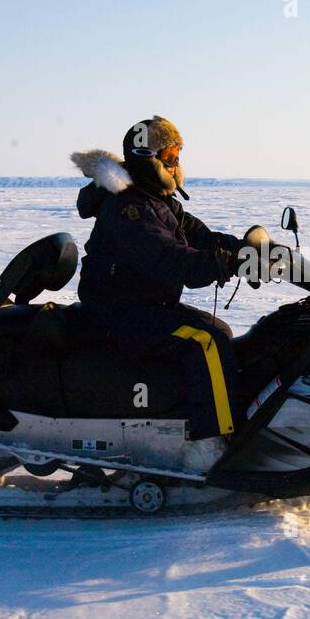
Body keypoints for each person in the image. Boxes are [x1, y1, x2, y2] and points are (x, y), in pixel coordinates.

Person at [71, 116, 246, 445]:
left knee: (219, 330)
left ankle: (186, 416)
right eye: (169, 157)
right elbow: (172, 259)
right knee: (205, 342)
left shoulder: (157, 201)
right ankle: (213, 444)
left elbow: (202, 237)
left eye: (178, 155)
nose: (176, 163)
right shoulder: (130, 208)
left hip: (144, 306)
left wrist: (248, 249)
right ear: (148, 161)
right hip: (119, 313)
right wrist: (226, 265)